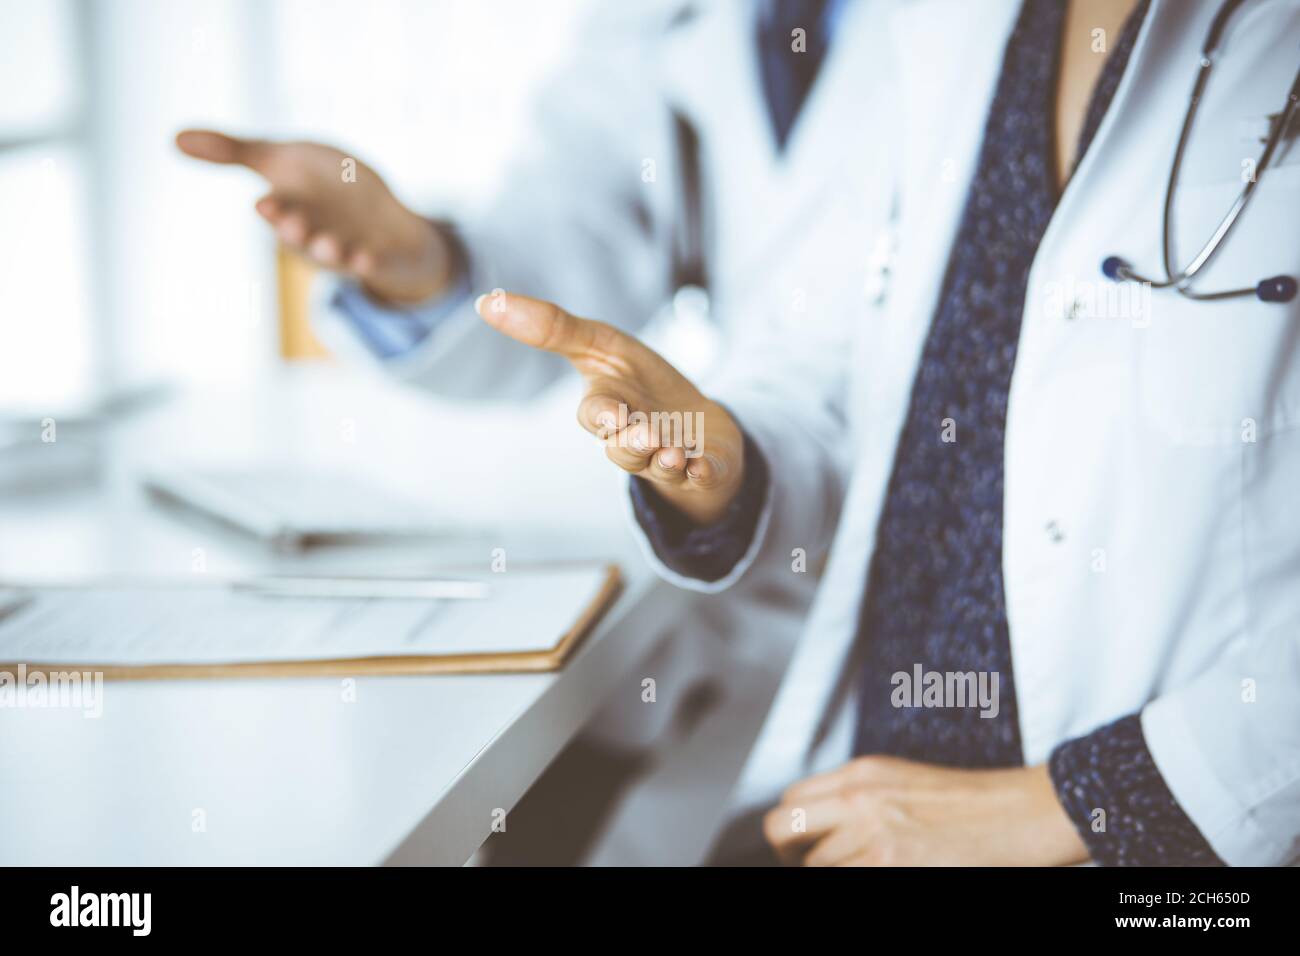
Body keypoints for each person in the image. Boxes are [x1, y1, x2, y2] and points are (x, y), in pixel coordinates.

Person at [468, 0, 1300, 865]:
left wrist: (1080, 805)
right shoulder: (941, 29)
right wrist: (724, 466)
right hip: (876, 808)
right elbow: (821, 359)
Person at [177, 0, 894, 864]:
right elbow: (568, 248)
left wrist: (738, 471)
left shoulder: (994, 34)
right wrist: (419, 265)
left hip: (927, 628)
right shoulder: (662, 21)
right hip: (749, 540)